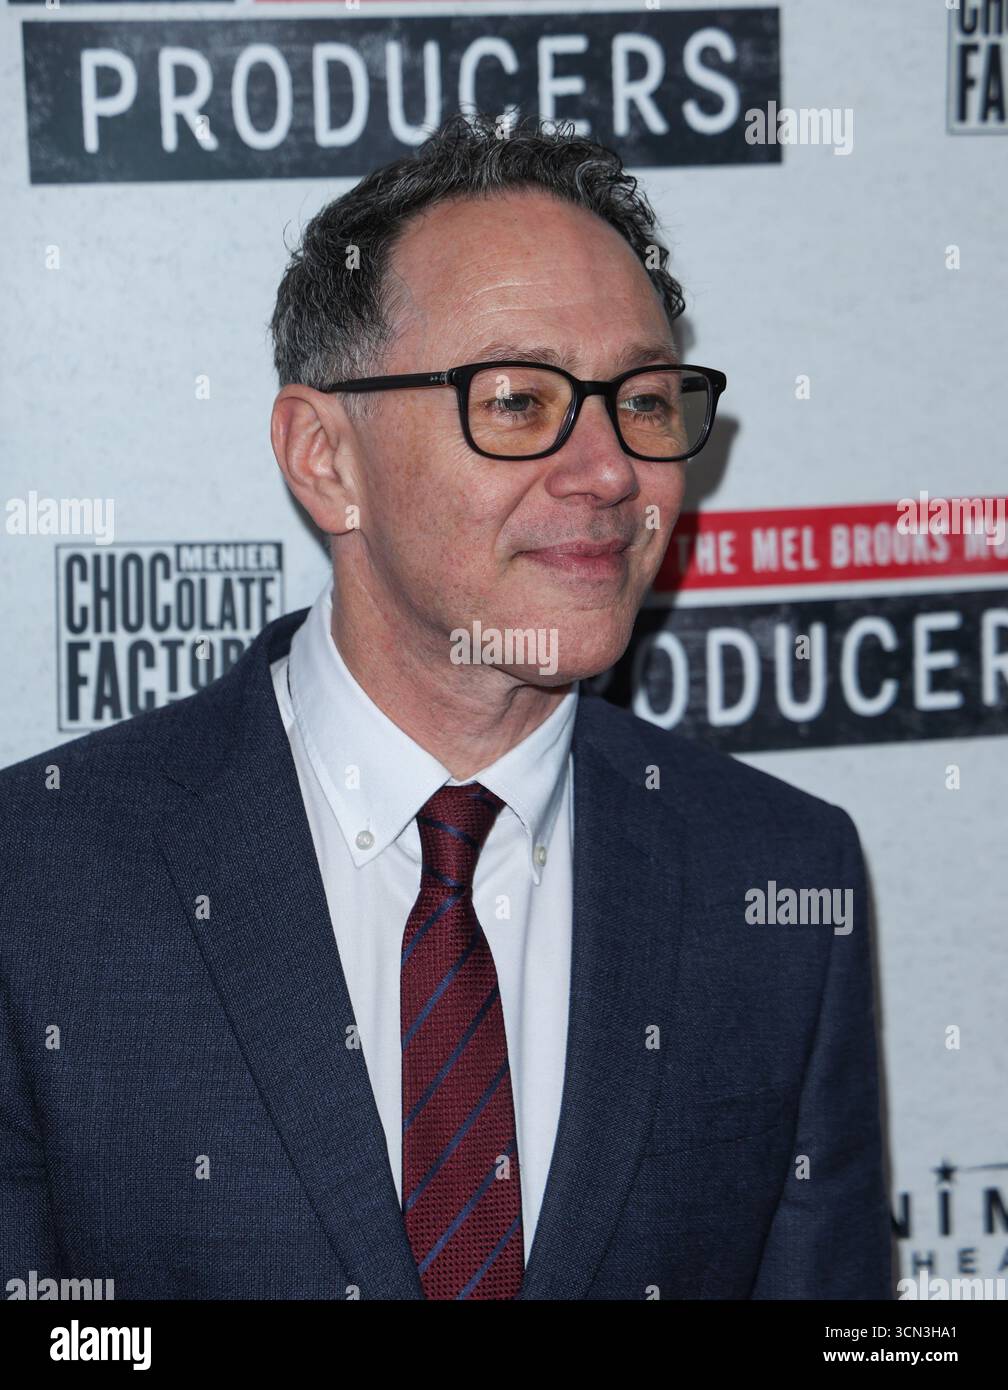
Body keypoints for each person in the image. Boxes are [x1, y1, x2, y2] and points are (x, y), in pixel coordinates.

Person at [0, 113, 892, 1300]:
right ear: (326, 457)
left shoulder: (776, 876)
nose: (612, 471)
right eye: (520, 401)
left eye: (644, 399)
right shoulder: (40, 875)